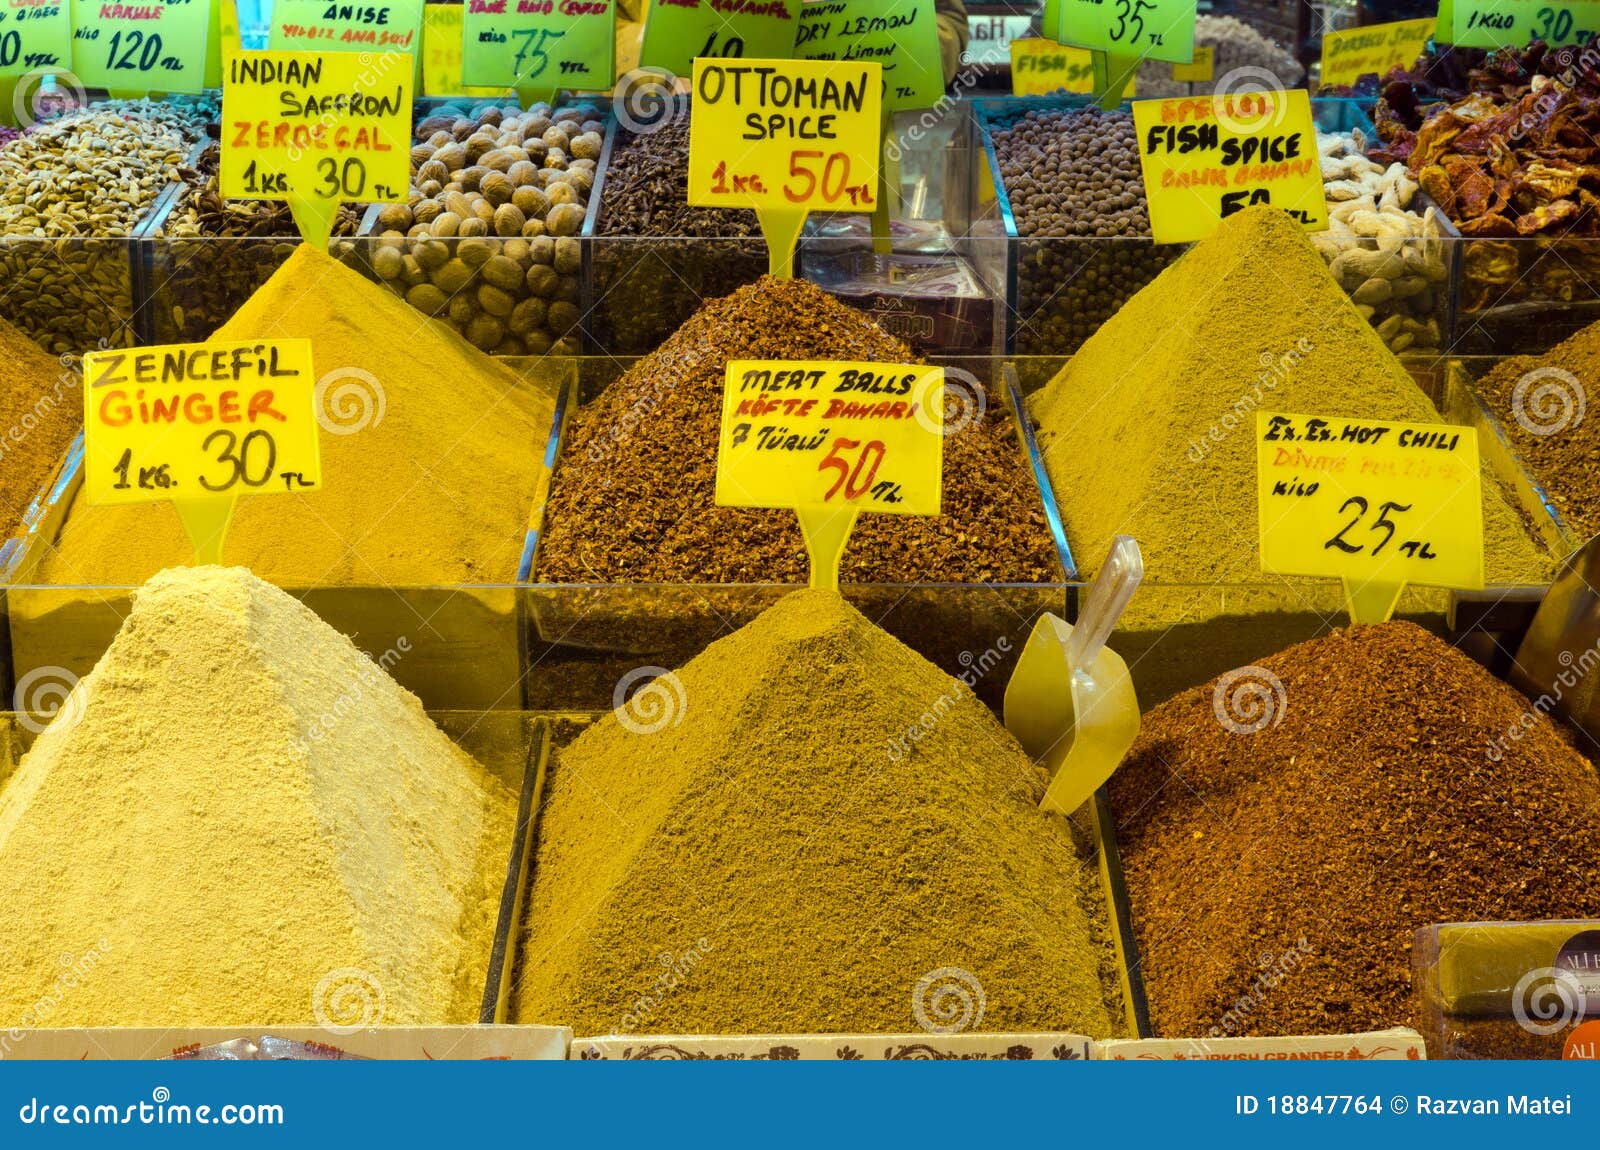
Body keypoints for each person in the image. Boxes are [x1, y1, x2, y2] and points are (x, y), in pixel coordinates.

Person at [615, 1, 971, 85]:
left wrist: (860, 49)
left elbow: (946, 24)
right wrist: (654, 51)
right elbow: (592, 27)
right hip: (666, 156)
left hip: (843, 179)